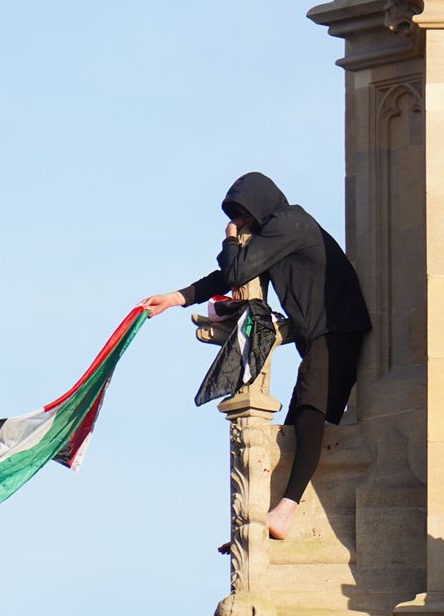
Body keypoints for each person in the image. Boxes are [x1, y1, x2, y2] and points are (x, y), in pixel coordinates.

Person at [141, 172, 371, 539]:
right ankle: (271, 515)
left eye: (244, 215)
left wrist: (229, 238)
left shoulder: (288, 223)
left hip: (337, 330)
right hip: (322, 335)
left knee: (310, 415)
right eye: (237, 218)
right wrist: (175, 298)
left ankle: (286, 510)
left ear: (259, 205)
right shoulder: (278, 232)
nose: (242, 224)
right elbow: (227, 276)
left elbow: (236, 270)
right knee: (299, 423)